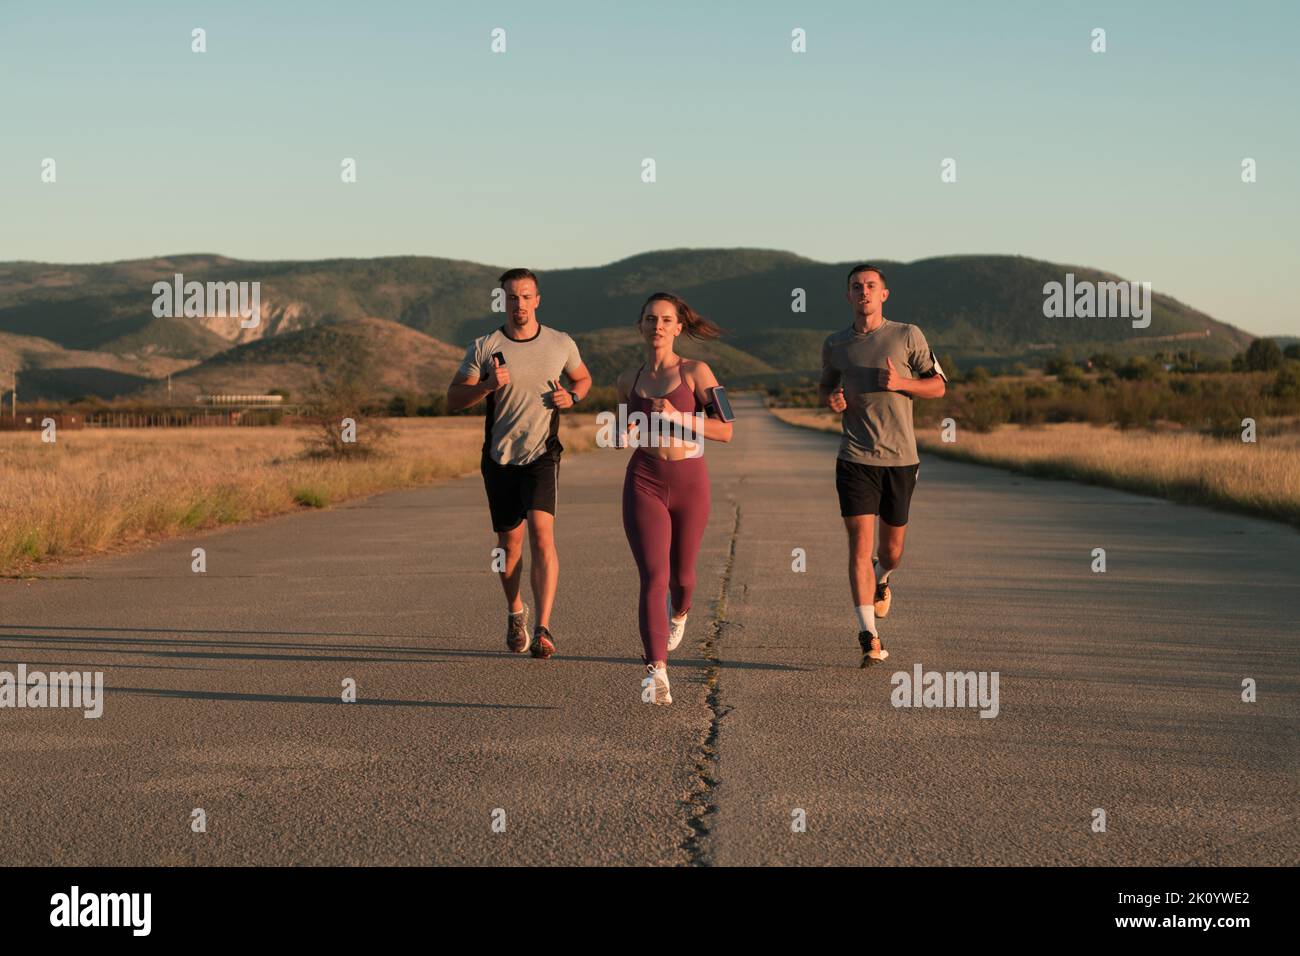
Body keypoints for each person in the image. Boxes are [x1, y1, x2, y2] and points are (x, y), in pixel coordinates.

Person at [447, 268, 592, 658]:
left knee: (542, 534)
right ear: (502, 301)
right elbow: (453, 398)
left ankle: (544, 628)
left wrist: (573, 398)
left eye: (526, 296)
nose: (519, 304)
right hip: (499, 458)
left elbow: (583, 379)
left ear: (537, 300)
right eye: (511, 297)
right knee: (508, 547)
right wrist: (487, 386)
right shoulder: (485, 346)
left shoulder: (561, 343)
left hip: (542, 454)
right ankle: (516, 612)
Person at [818, 264, 947, 667]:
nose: (864, 292)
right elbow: (826, 384)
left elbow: (939, 386)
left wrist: (902, 384)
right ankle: (869, 636)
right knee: (858, 547)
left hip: (901, 460)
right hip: (854, 457)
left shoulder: (908, 335)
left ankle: (883, 578)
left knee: (891, 552)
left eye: (871, 286)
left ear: (884, 294)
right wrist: (832, 398)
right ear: (848, 296)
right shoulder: (836, 343)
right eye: (856, 287)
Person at [616, 292, 733, 705]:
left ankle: (680, 613)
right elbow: (623, 428)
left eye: (666, 319)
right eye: (650, 318)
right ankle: (656, 672)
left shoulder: (697, 372)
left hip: (690, 481)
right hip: (644, 479)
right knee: (653, 578)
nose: (658, 326)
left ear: (678, 327)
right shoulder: (627, 379)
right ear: (641, 325)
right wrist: (620, 435)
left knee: (683, 578)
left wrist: (678, 417)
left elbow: (726, 430)